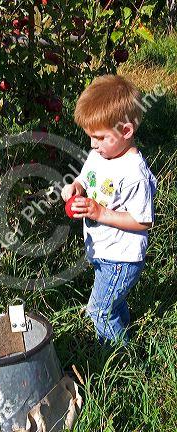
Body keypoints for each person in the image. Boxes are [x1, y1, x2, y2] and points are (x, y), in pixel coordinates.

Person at [61, 74, 158, 345]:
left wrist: (99, 213)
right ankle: (123, 327)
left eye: (100, 137)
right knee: (113, 304)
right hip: (103, 251)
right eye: (90, 136)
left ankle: (118, 358)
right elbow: (85, 179)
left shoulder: (134, 173)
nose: (93, 144)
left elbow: (142, 221)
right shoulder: (100, 155)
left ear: (126, 131)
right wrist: (75, 188)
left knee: (99, 311)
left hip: (122, 258)